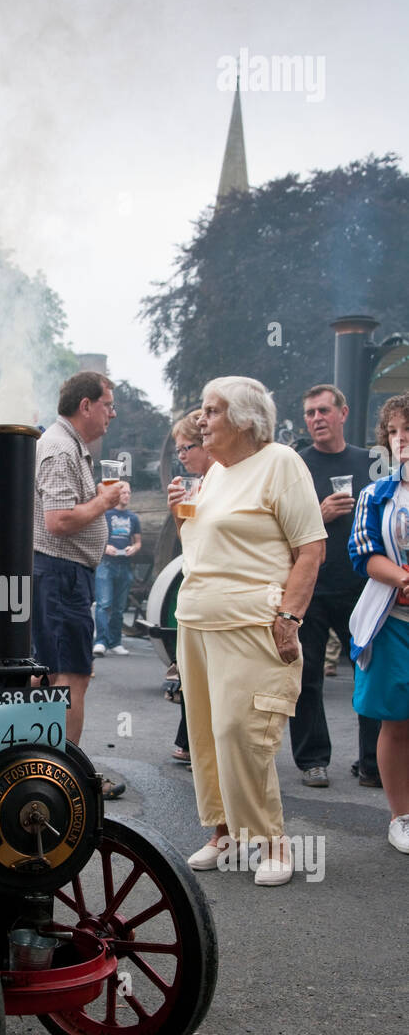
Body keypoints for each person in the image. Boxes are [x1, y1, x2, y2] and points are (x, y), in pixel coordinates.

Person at [170, 377, 326, 886]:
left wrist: (290, 618)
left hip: (251, 621)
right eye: (202, 409)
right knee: (206, 735)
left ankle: (271, 841)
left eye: (212, 411)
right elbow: (202, 550)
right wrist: (180, 514)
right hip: (195, 619)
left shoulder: (280, 462)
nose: (200, 420)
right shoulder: (214, 474)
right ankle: (222, 833)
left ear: (244, 419)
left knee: (243, 732)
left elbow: (310, 549)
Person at [32, 370, 124, 795]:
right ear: (85, 405)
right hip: (60, 572)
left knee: (58, 674)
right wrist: (104, 501)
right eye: (107, 404)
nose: (112, 413)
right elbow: (58, 522)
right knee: (70, 676)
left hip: (65, 573)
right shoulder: (58, 447)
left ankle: (54, 770)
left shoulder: (68, 445)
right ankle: (66, 779)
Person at [289, 384, 381, 788]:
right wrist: (320, 514)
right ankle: (313, 760)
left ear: (343, 413)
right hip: (310, 586)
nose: (316, 419)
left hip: (363, 587)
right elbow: (282, 529)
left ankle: (374, 763)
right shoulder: (296, 465)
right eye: (310, 413)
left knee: (370, 674)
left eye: (324, 411)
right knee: (307, 676)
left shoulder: (371, 461)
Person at [348, 394, 409, 854]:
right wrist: (405, 578)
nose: (401, 440)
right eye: (394, 432)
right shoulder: (376, 493)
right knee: (397, 721)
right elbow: (364, 553)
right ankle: (401, 816)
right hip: (393, 620)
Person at [167, 410, 214, 763]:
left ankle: (200, 744)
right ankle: (191, 742)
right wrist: (177, 513)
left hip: (218, 591)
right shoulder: (197, 485)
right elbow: (190, 541)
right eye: (178, 450)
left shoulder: (223, 481)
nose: (182, 456)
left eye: (187, 448)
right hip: (197, 587)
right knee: (193, 673)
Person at [93, 480, 141, 657]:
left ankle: (115, 642)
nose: (126, 495)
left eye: (129, 492)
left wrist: (133, 549)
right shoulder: (105, 514)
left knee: (119, 608)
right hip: (106, 563)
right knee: (104, 604)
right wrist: (105, 548)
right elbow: (95, 536)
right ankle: (100, 642)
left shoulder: (133, 518)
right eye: (123, 492)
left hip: (124, 564)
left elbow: (138, 542)